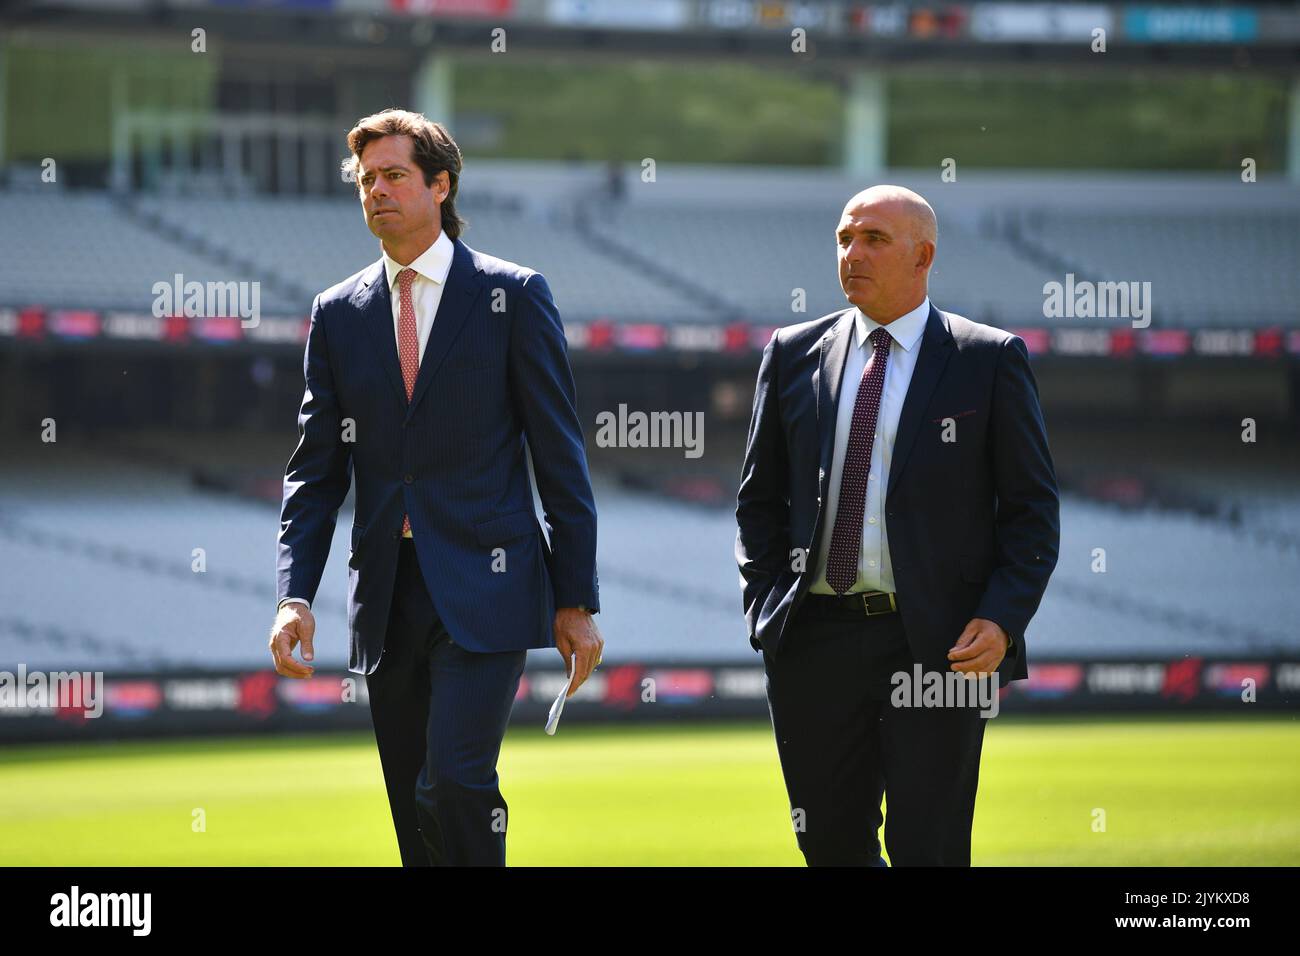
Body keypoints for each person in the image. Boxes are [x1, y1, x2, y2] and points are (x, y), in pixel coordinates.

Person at [269, 109, 603, 866]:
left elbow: (560, 455)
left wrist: (575, 598)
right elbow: (315, 470)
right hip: (387, 596)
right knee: (407, 809)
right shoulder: (337, 312)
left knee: (453, 784)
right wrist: (294, 595)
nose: (376, 192)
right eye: (366, 180)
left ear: (440, 184)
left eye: (393, 176)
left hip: (489, 585)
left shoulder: (513, 296)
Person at [735, 184, 1059, 866]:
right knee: (829, 846)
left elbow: (1031, 512)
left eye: (874, 239)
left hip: (938, 645)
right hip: (812, 643)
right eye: (844, 239)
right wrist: (767, 608)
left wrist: (1001, 620)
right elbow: (757, 503)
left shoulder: (987, 359)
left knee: (929, 847)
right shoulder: (791, 354)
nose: (852, 253)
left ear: (923, 256)